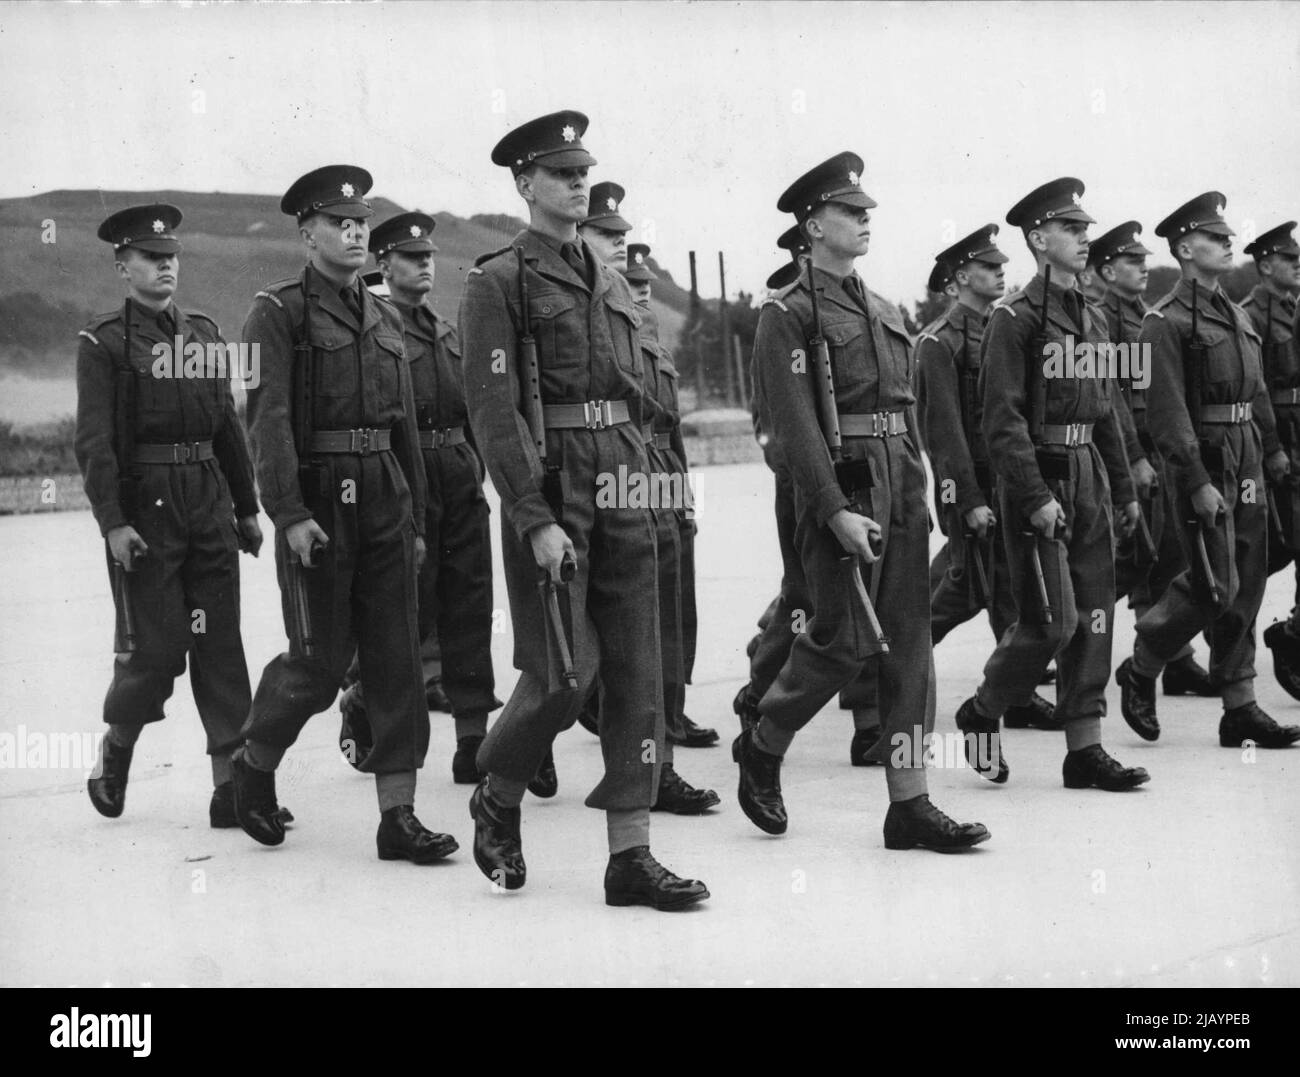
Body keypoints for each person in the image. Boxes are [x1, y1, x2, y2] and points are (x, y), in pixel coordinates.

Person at [459, 111, 709, 908]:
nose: (577, 183)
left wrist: (660, 479)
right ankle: (498, 790)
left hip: (626, 484)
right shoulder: (498, 282)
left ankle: (629, 854)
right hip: (557, 490)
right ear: (525, 185)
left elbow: (638, 394)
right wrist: (533, 516)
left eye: (582, 172)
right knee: (568, 672)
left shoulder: (609, 278)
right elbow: (494, 412)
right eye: (561, 173)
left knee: (638, 673)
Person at [741, 152, 989, 851]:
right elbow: (792, 427)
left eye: (866, 210)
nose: (865, 219)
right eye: (851, 212)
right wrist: (832, 508)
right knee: (842, 636)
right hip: (842, 484)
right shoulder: (786, 314)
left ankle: (910, 802)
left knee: (910, 647)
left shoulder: (882, 309)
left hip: (898, 479)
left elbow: (905, 409)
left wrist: (924, 488)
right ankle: (765, 739)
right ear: (814, 225)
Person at [233, 165, 460, 862]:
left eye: (361, 221)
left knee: (396, 663)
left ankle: (398, 815)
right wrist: (289, 512)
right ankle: (254, 763)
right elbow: (263, 420)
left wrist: (417, 521)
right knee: (319, 664)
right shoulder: (274, 314)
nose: (356, 232)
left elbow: (402, 430)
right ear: (308, 235)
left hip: (386, 500)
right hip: (321, 503)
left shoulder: (385, 316)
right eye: (340, 222)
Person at [76, 203, 276, 827]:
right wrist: (113, 523)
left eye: (172, 258)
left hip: (207, 502)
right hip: (148, 509)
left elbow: (227, 430)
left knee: (220, 645)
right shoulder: (103, 343)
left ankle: (230, 789)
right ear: (122, 266)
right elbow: (95, 444)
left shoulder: (205, 337)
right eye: (152, 259)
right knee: (156, 650)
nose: (166, 267)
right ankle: (116, 750)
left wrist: (246, 509)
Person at [958, 177, 1149, 791]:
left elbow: (1110, 411)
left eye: (1086, 229)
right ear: (1040, 239)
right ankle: (984, 710)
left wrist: (1123, 489)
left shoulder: (1091, 317)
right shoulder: (1013, 319)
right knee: (1051, 621)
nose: (1085, 238)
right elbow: (1001, 419)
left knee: (1095, 615)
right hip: (1041, 483)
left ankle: (1084, 748)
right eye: (1072, 229)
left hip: (1089, 472)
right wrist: (1036, 495)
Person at [1115, 193, 1300, 749]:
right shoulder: (1162, 322)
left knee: (1245, 577)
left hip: (1245, 454)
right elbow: (1167, 413)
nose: (1227, 244)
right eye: (1216, 238)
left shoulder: (1238, 316)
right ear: (1185, 248)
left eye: (1226, 237)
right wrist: (1195, 480)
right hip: (1206, 457)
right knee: (1212, 579)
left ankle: (1240, 705)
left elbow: (1258, 391)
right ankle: (1143, 664)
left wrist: (1271, 450)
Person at [336, 211, 502, 784]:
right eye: (411, 257)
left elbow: (474, 407)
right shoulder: (376, 330)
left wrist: (477, 465)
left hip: (457, 474)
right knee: (410, 607)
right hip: (406, 478)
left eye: (429, 256)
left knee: (470, 603)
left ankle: (472, 737)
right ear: (384, 264)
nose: (424, 265)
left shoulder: (447, 331)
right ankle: (363, 695)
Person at [739, 226, 885, 764]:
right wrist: (802, 479)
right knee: (808, 599)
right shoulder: (784, 313)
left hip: (859, 477)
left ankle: (870, 723)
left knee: (868, 602)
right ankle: (760, 692)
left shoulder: (859, 306)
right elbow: (773, 420)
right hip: (805, 482)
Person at [917, 223, 1058, 731]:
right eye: (988, 267)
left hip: (1004, 485)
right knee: (963, 592)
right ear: (958, 279)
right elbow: (944, 434)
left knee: (1009, 592)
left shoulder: (1001, 327)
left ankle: (1014, 695)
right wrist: (968, 499)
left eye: (1002, 266)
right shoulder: (940, 343)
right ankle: (877, 681)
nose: (1001, 273)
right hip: (973, 488)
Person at [1091, 222, 1214, 702]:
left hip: (1155, 452)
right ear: (1107, 270)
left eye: (1145, 261)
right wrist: (1135, 459)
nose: (1143, 269)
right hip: (1128, 454)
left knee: (1167, 556)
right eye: (1133, 262)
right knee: (1124, 562)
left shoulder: (1146, 316)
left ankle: (1177, 663)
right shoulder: (1100, 320)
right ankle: (1071, 656)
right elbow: (1111, 400)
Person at [620, 239, 720, 812]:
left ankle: (666, 739)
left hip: (661, 477)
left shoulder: (653, 343)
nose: (639, 297)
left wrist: (682, 498)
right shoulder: (606, 343)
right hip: (621, 480)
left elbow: (672, 427)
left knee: (671, 618)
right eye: (629, 286)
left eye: (644, 288)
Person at [1240, 223, 1300, 697]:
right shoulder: (1252, 316)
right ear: (1264, 265)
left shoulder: (1294, 310)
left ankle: (1292, 634)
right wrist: (1272, 448)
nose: (1297, 263)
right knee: (1266, 552)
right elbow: (1254, 390)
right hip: (1277, 443)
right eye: (1288, 258)